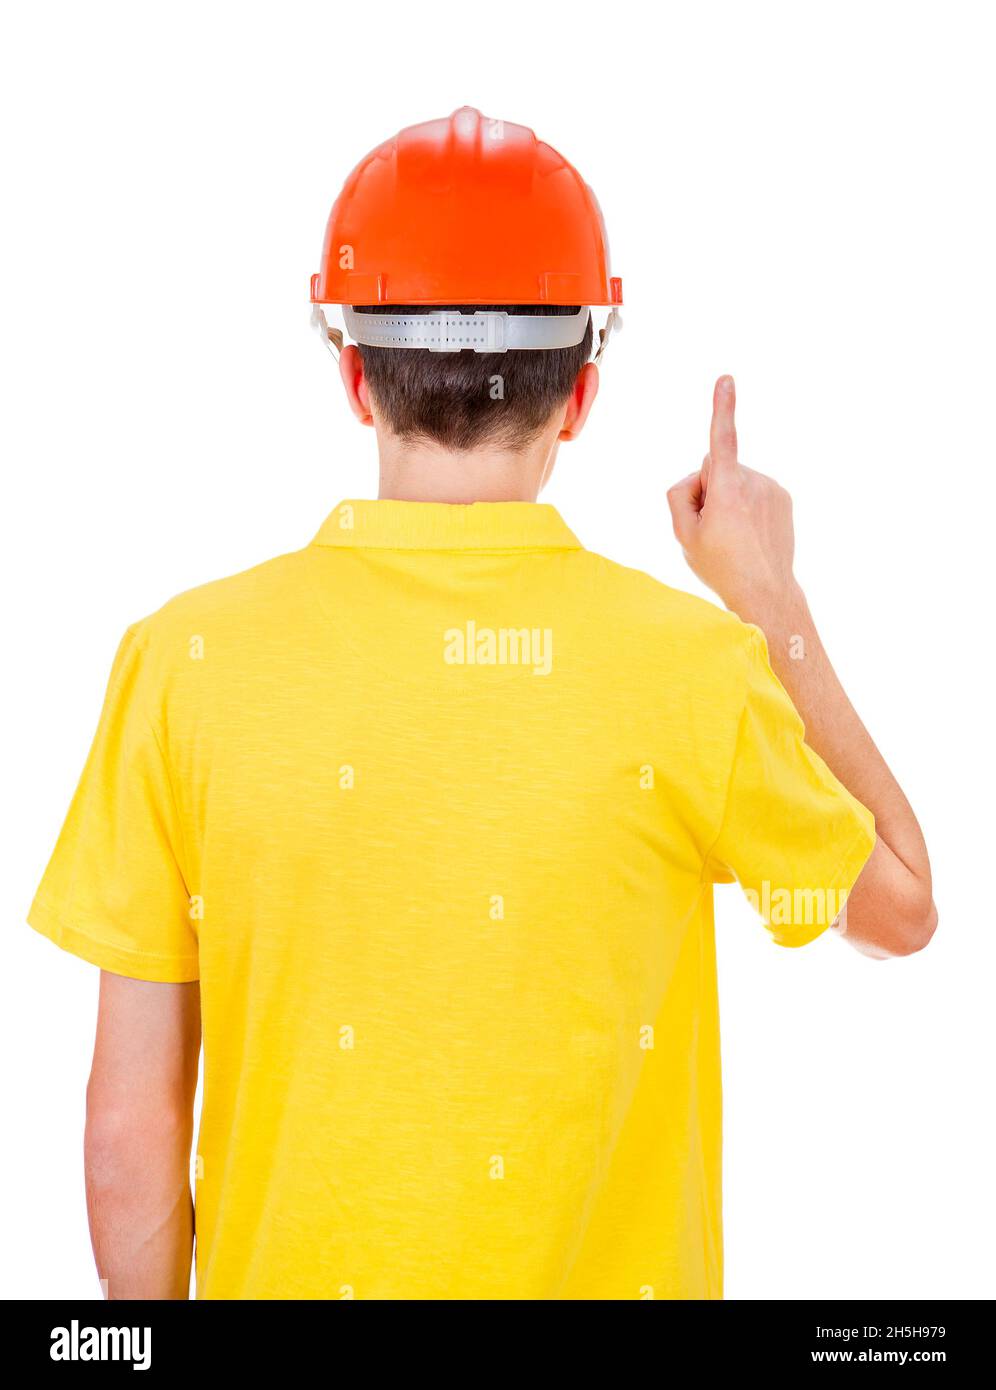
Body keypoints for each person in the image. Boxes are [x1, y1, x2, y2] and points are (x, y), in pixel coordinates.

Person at [28, 108, 935, 1301]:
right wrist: (769, 597)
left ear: (355, 375)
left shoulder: (181, 662)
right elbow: (900, 907)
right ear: (583, 392)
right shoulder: (692, 670)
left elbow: (126, 1126)